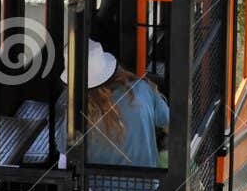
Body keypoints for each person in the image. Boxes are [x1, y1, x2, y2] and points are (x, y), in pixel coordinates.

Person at [57, 40, 170, 181]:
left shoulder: (77, 111)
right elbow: (169, 124)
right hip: (146, 189)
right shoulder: (142, 89)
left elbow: (64, 148)